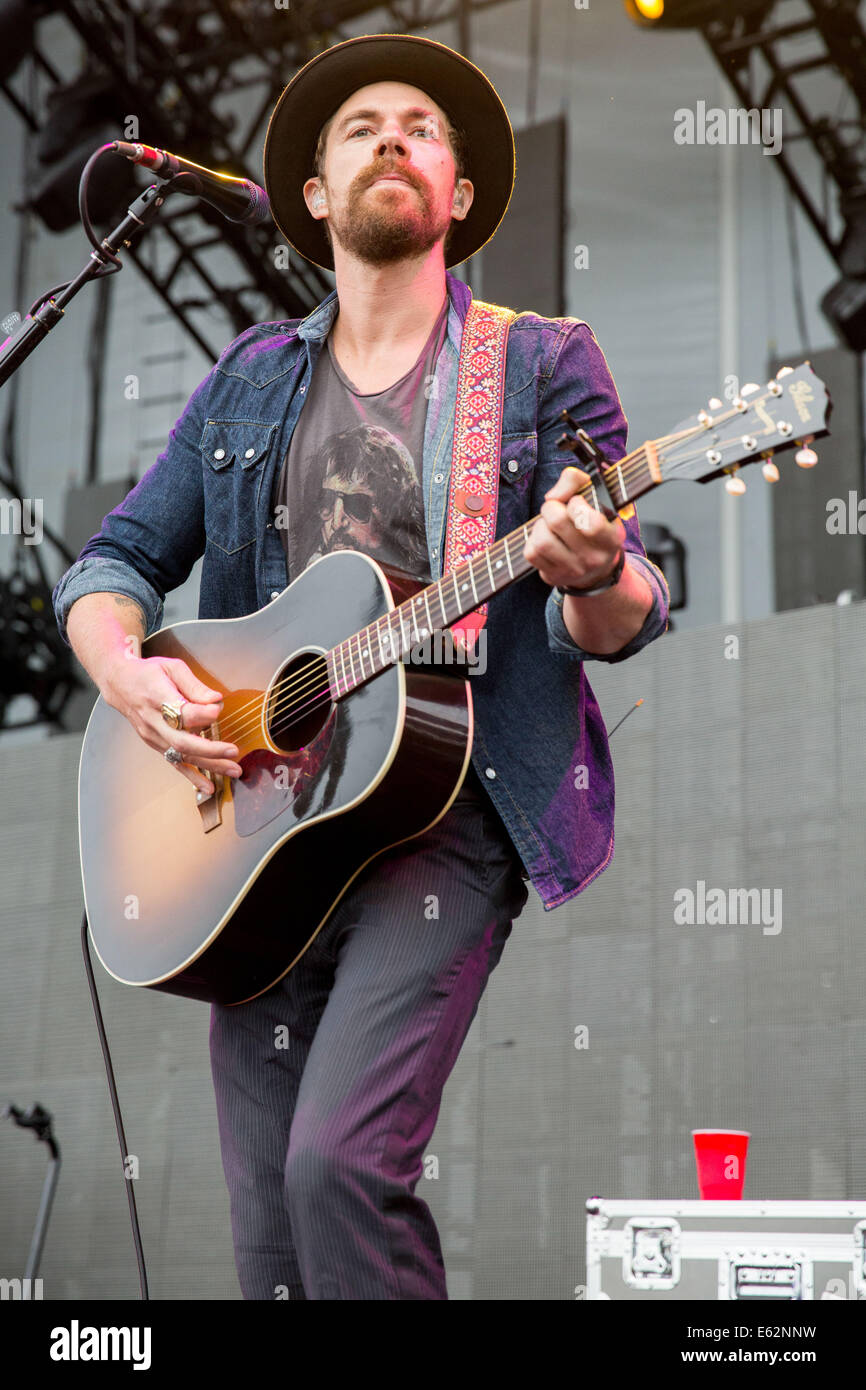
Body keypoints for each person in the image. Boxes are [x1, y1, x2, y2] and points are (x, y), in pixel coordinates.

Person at [52, 33, 670, 1300]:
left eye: (423, 126)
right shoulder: (248, 380)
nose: (395, 135)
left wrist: (587, 565)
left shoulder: (540, 362)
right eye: (360, 126)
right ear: (316, 196)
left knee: (337, 1166)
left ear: (458, 193)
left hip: (441, 815)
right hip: (261, 831)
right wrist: (126, 674)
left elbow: (626, 608)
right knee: (269, 1236)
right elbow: (110, 564)